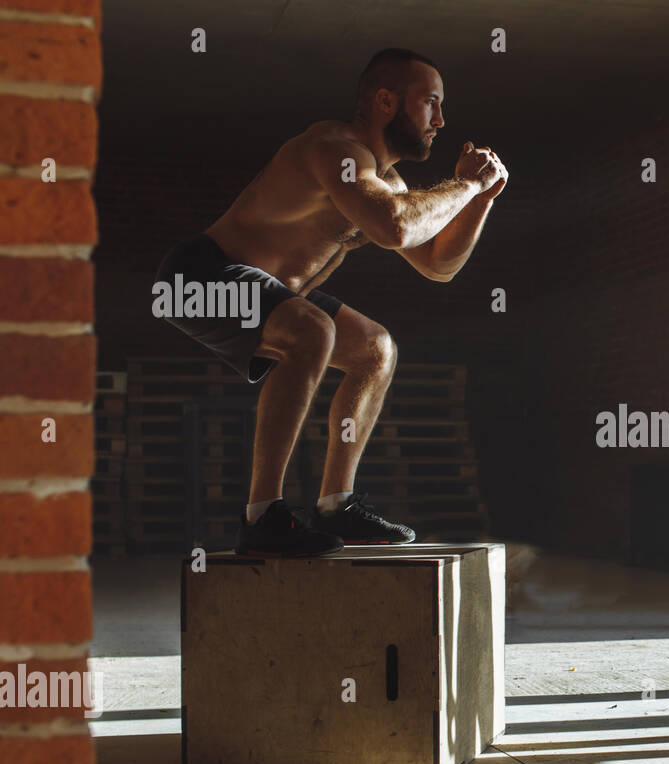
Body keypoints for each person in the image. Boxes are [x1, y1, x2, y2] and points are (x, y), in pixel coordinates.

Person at [153, 48, 508, 556]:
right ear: (387, 101)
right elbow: (396, 226)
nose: (441, 120)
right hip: (197, 276)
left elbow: (437, 264)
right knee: (311, 329)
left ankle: (337, 505)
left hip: (274, 290)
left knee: (374, 350)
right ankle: (261, 518)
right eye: (430, 102)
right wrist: (468, 182)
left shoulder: (389, 183)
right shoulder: (333, 148)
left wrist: (480, 200)